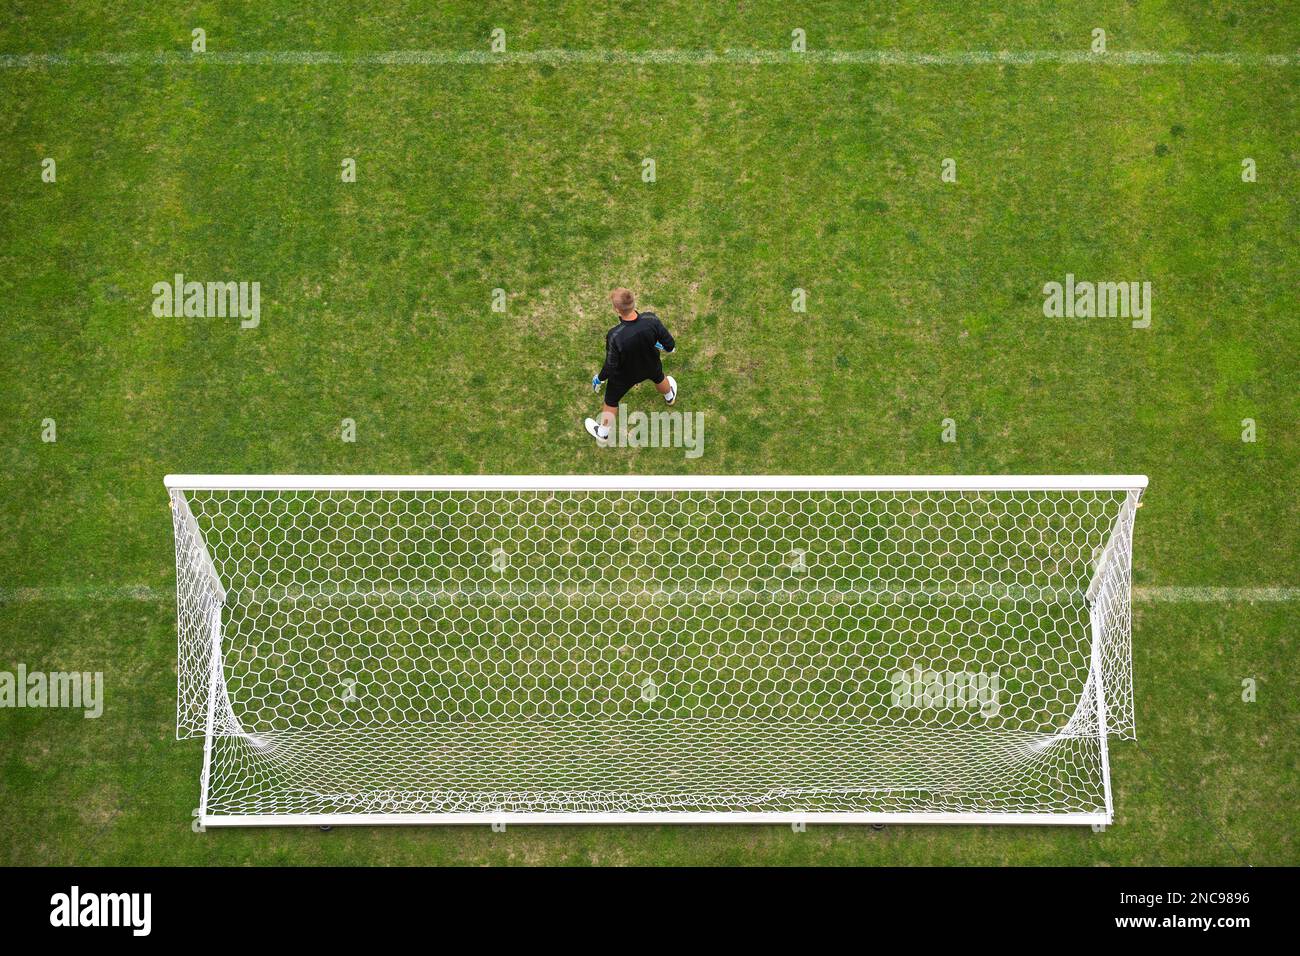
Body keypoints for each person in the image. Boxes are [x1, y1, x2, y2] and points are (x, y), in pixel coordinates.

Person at [584, 288, 677, 444]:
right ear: (634, 302)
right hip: (650, 364)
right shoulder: (651, 319)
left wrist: (600, 378)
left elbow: (611, 364)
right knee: (659, 377)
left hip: (624, 375)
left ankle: (603, 433)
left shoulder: (615, 335)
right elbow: (670, 345)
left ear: (617, 309)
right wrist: (665, 347)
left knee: (611, 400)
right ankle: (669, 397)